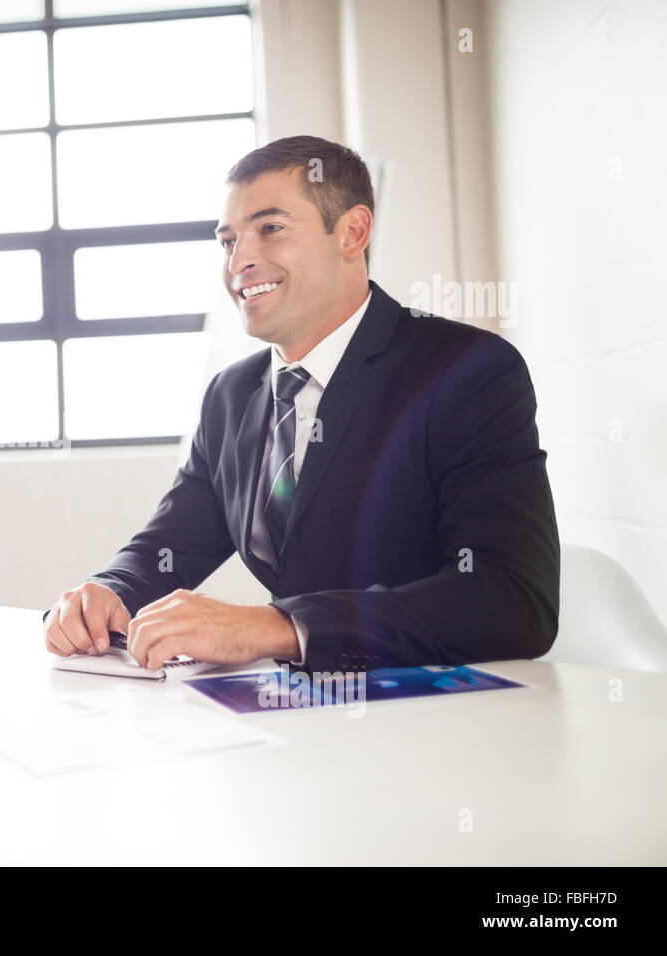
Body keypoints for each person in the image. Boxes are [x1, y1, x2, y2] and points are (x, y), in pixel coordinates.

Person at [44, 135, 559, 673]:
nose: (239, 261)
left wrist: (279, 626)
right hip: (300, 719)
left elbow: (512, 600)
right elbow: (168, 548)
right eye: (227, 242)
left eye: (270, 229)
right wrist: (108, 592)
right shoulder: (230, 396)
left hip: (438, 717)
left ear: (353, 233)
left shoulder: (465, 371)